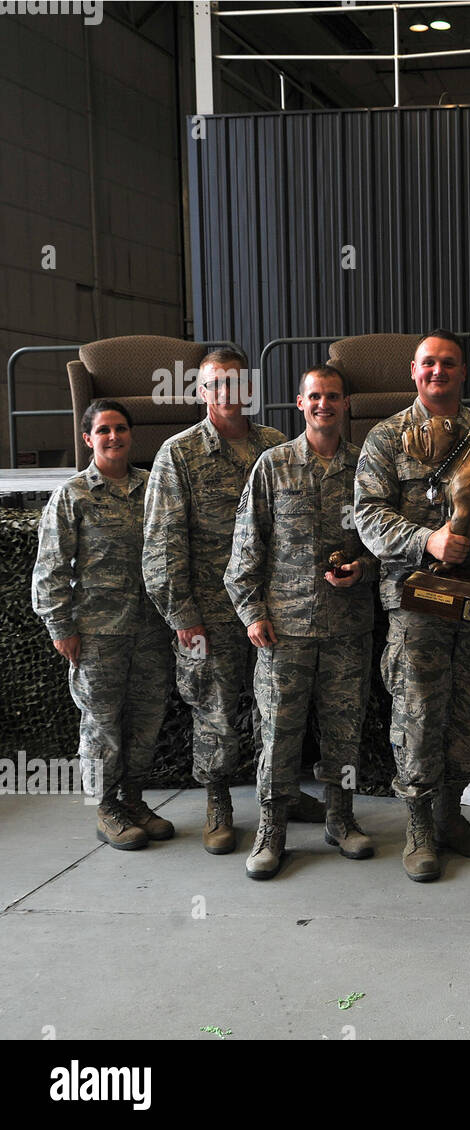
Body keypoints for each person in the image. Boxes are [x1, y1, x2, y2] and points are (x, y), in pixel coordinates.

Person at [353, 330, 470, 882]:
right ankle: (420, 826)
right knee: (418, 711)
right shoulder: (386, 437)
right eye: (429, 363)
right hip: (416, 598)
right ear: (413, 370)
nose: (438, 372)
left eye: (448, 363)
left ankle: (452, 814)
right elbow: (368, 517)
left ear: (464, 372)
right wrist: (428, 541)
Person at [142, 347, 312, 855]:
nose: (228, 394)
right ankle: (218, 802)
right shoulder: (179, 453)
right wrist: (182, 616)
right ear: (201, 391)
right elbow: (162, 543)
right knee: (212, 710)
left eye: (237, 383)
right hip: (208, 613)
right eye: (217, 384)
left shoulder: (277, 446)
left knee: (276, 709)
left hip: (273, 606)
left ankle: (279, 795)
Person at [225, 365, 378, 880]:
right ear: (299, 402)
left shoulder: (366, 468)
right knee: (278, 734)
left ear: (346, 403)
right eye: (315, 396)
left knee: (344, 731)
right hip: (283, 631)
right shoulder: (273, 465)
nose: (324, 405)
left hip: (347, 627)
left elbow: (386, 541)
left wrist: (365, 567)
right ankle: (272, 829)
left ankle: (341, 817)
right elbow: (246, 548)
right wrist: (252, 613)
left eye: (333, 396)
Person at [32, 400, 174, 849]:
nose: (115, 437)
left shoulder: (153, 488)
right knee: (102, 726)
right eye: (105, 430)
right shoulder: (73, 495)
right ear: (88, 438)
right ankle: (107, 808)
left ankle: (133, 799)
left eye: (121, 429)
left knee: (146, 722)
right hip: (97, 634)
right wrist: (61, 627)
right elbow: (50, 569)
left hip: (151, 629)